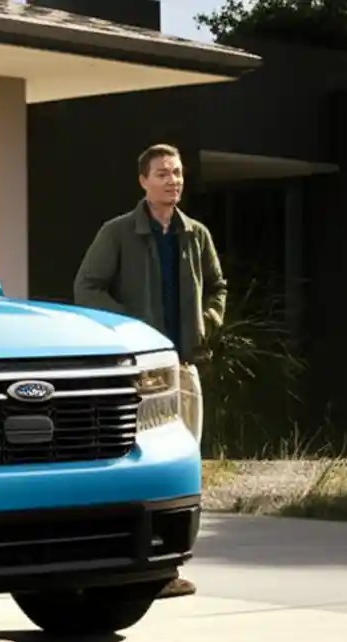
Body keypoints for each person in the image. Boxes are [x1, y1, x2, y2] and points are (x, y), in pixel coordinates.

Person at [73, 143, 227, 600]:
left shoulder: (195, 234)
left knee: (184, 466)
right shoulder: (117, 232)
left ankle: (171, 565)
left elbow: (217, 286)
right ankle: (140, 566)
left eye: (177, 173)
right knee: (143, 464)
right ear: (143, 180)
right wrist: (129, 329)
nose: (172, 180)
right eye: (162, 173)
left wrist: (208, 324)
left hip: (183, 365)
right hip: (138, 373)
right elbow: (87, 286)